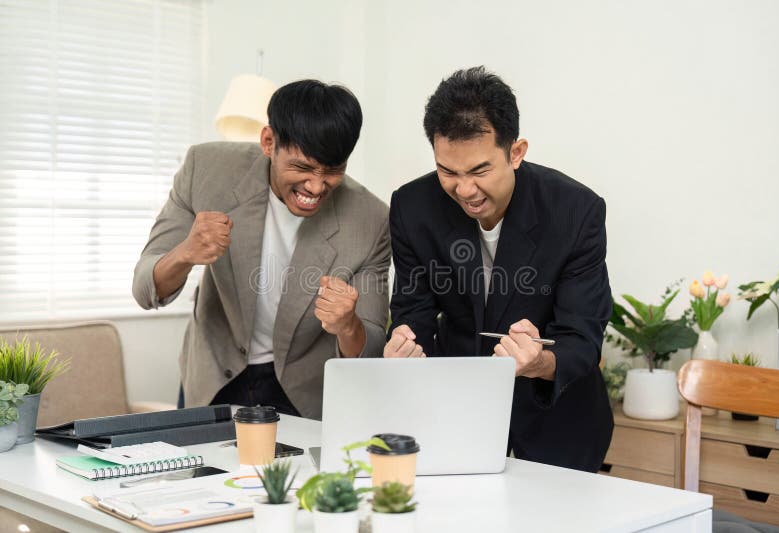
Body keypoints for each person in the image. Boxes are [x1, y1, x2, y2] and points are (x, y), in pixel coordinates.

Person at [384, 66, 613, 472]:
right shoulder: (412, 207)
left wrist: (538, 362)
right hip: (456, 412)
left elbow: (581, 336)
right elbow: (413, 313)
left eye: (480, 171)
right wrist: (404, 345)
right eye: (447, 171)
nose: (464, 190)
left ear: (516, 152)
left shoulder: (575, 211)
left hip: (558, 420)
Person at [133, 80, 389, 419]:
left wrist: (348, 325)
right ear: (268, 142)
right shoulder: (206, 169)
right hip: (212, 377)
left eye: (332, 171)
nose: (316, 186)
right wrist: (185, 253)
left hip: (302, 394)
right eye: (302, 168)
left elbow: (371, 351)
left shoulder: (371, 220)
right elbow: (145, 290)